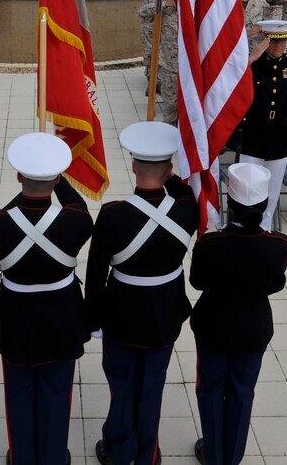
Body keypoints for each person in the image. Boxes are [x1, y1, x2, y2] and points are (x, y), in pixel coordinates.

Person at [85, 121, 198, 465]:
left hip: (121, 314)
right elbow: (183, 192)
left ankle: (119, 450)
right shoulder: (188, 209)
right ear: (169, 171)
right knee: (152, 386)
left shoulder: (113, 214)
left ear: (133, 166)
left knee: (122, 385)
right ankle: (147, 452)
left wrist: (93, 318)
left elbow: (95, 274)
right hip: (164, 313)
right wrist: (171, 177)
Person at [0, 133, 93, 465]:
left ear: (18, 176)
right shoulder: (75, 222)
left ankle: (22, 456)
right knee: (57, 394)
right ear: (58, 177)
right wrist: (56, 182)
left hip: (16, 318)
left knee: (18, 394)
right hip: (62, 318)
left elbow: (8, 216)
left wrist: (32, 184)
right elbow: (78, 206)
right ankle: (53, 456)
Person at [190, 162, 287, 465]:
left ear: (230, 204)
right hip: (253, 329)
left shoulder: (210, 243)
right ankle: (231, 457)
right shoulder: (277, 244)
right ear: (264, 203)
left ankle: (213, 454)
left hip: (213, 328)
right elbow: (276, 284)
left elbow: (197, 282)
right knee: (242, 393)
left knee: (210, 391)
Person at [235, 20, 287, 231]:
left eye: (282, 41)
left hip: (280, 134)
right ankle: (243, 224)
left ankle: (264, 227)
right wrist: (252, 57)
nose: (278, 46)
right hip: (254, 132)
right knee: (248, 185)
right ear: (265, 40)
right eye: (273, 41)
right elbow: (232, 79)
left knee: (272, 187)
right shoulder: (252, 63)